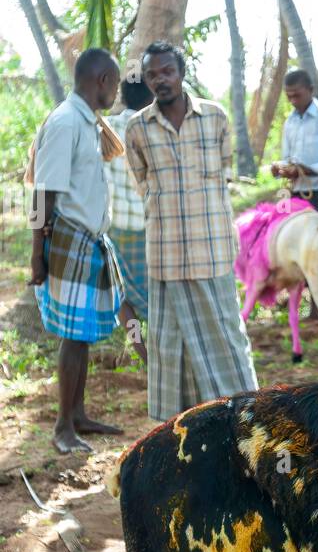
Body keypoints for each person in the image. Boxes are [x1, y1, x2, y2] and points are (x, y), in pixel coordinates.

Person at [125, 41, 257, 422]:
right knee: (169, 344)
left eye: (167, 71)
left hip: (211, 250)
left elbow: (225, 174)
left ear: (181, 74)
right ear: (146, 80)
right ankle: (179, 424)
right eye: (152, 74)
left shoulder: (214, 118)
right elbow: (143, 183)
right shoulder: (137, 129)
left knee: (228, 337)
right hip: (165, 254)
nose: (160, 80)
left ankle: (241, 414)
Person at [29, 48, 142, 453]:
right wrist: (36, 253)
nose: (116, 91)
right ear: (103, 82)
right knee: (72, 337)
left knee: (82, 336)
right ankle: (63, 427)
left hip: (88, 241)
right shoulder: (65, 122)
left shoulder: (87, 122)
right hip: (69, 240)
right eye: (114, 83)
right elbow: (44, 191)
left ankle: (77, 415)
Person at [106, 76, 153, 321]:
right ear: (152, 98)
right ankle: (158, 346)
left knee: (123, 291)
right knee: (153, 293)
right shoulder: (153, 128)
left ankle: (141, 348)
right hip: (148, 226)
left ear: (122, 98)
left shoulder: (106, 127)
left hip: (115, 227)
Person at [271, 69, 318, 216]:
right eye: (289, 96)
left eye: (297, 95)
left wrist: (308, 170)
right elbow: (288, 159)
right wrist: (280, 169)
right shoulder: (289, 123)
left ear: (311, 90)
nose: (293, 101)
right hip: (296, 192)